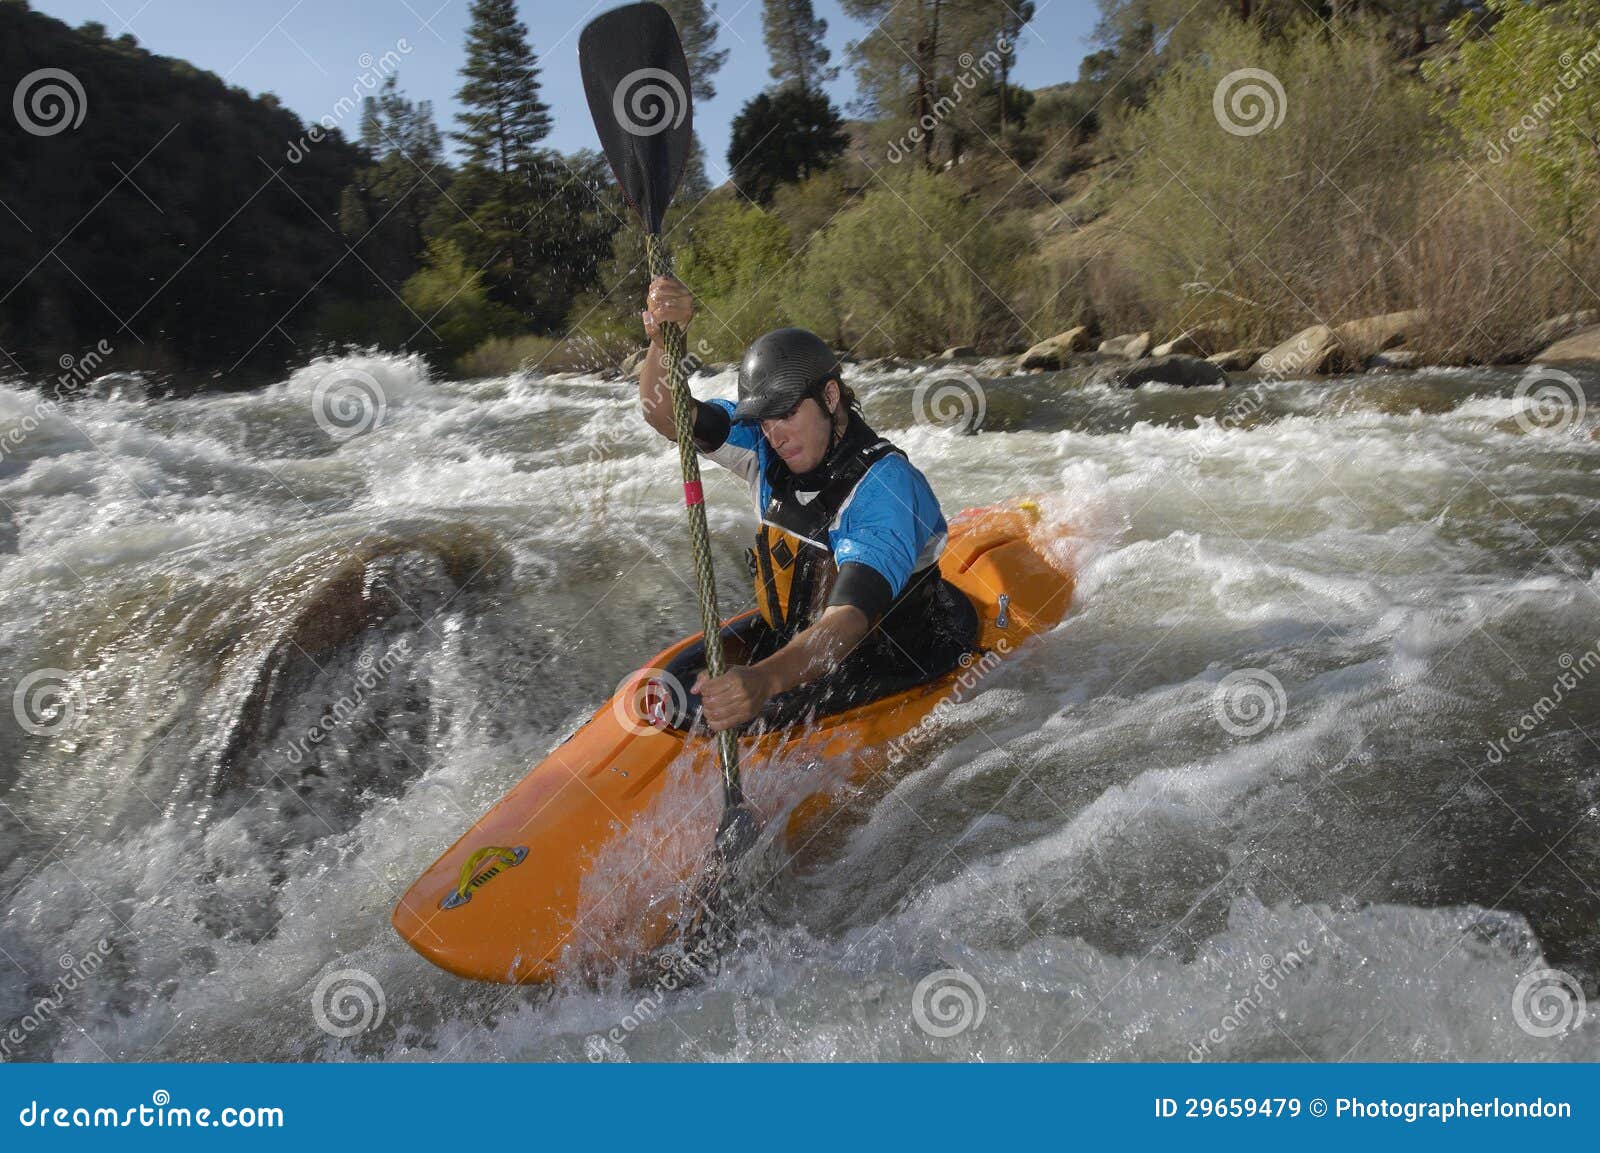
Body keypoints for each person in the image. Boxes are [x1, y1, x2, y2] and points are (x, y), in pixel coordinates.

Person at [638, 275, 978, 734]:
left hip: (889, 660)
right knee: (672, 692)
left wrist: (763, 680)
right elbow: (667, 416)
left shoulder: (886, 488)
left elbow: (849, 620)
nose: (775, 435)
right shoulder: (762, 446)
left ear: (830, 397)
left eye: (787, 414)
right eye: (764, 419)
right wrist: (662, 343)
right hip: (798, 641)